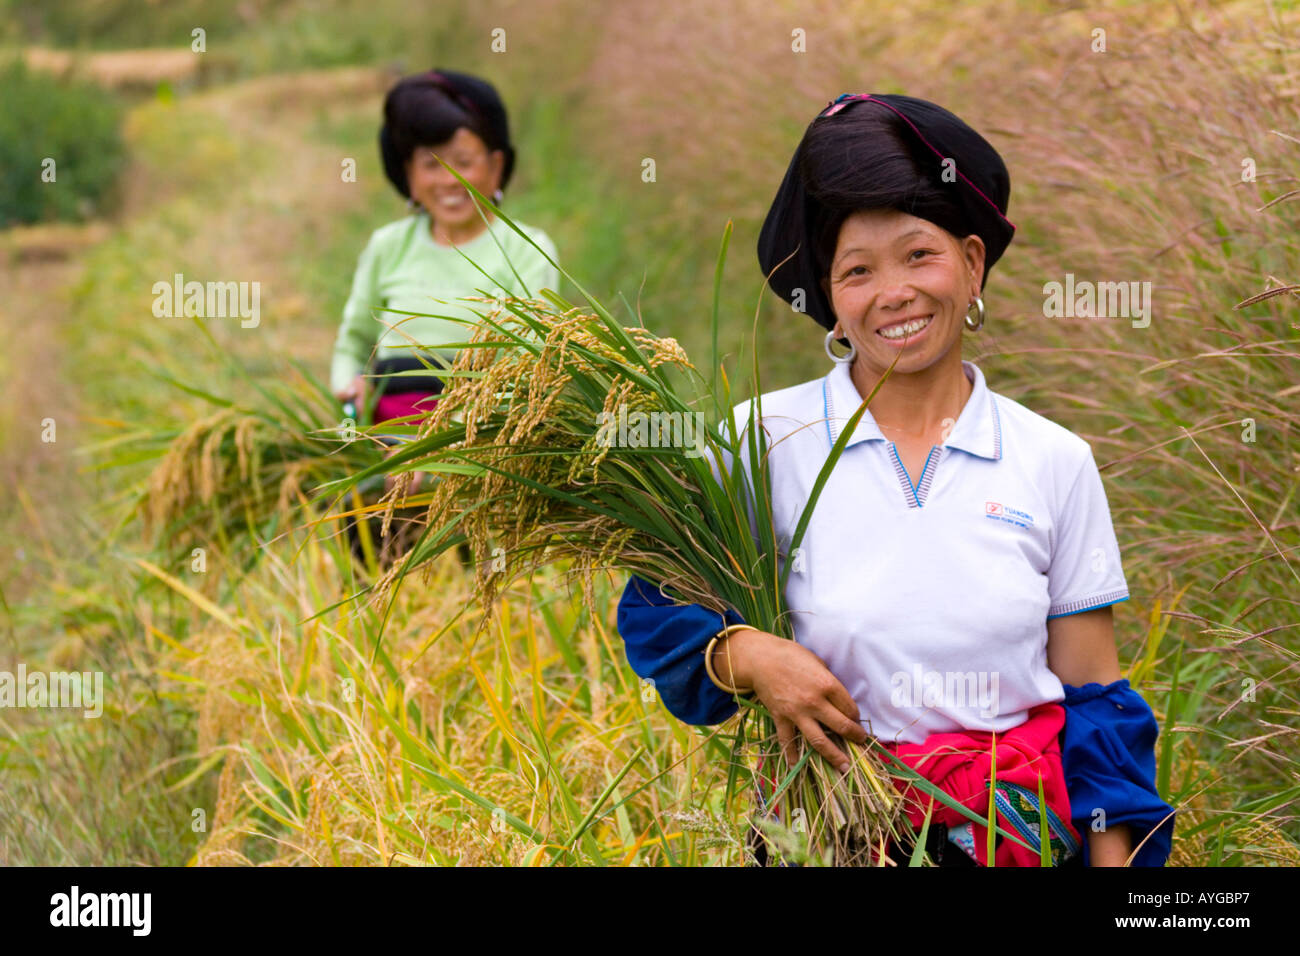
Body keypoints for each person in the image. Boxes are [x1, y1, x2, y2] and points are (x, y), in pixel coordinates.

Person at [616, 93, 1176, 867]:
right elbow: (655, 609)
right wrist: (752, 656)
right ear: (834, 308)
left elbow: (1096, 703)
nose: (895, 293)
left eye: (921, 255)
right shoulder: (760, 442)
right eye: (857, 271)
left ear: (973, 265)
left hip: (1016, 841)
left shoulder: (1052, 458)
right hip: (832, 832)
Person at [330, 69, 560, 560]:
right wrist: (350, 389)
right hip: (387, 446)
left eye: (463, 162)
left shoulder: (528, 250)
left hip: (483, 447)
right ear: (407, 174)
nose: (448, 181)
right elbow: (353, 340)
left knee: (468, 566)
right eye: (430, 165)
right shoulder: (387, 247)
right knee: (371, 559)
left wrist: (437, 453)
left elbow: (528, 366)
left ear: (496, 167)